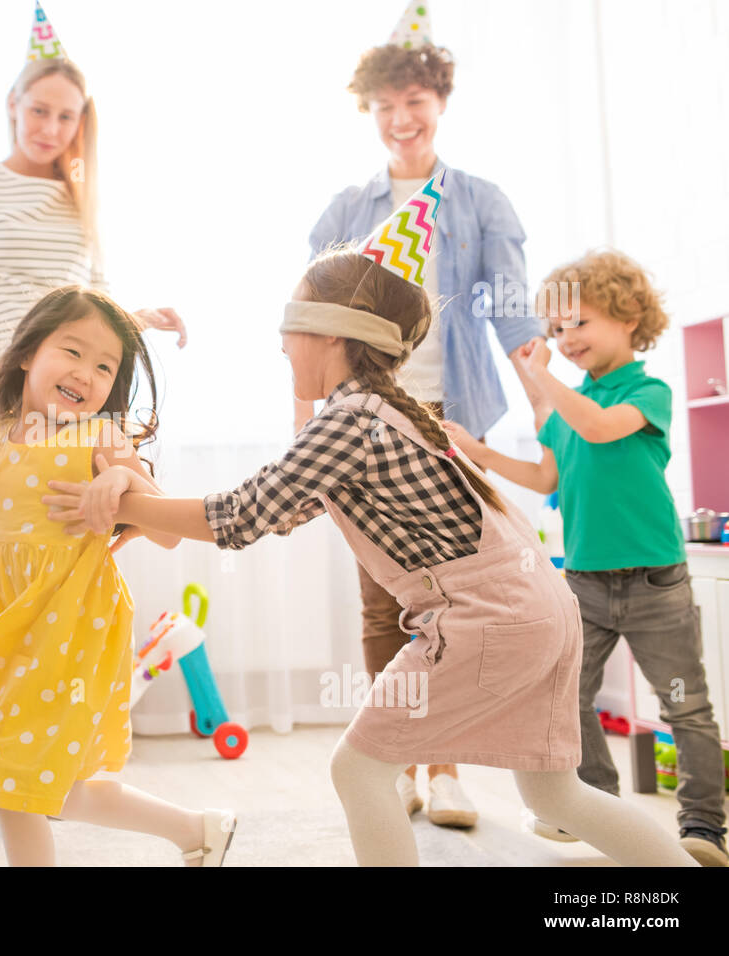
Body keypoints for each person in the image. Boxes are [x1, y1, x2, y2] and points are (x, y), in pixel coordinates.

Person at [44, 180, 696, 867]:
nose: (281, 348)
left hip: (488, 618)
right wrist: (142, 509)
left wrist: (123, 500)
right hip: (540, 609)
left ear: (330, 334)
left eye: (286, 331)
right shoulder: (380, 410)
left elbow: (240, 516)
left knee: (357, 771)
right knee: (555, 796)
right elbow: (280, 510)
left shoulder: (351, 419)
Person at [0, 7, 187, 832]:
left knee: (74, 572)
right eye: (41, 110)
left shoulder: (80, 196)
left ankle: (53, 749)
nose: (53, 127)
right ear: (13, 106)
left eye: (68, 115)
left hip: (77, 416)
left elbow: (83, 309)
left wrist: (139, 314)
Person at [303, 18, 545, 826]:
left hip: (453, 420)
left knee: (459, 598)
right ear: (368, 112)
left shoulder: (479, 201)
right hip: (367, 415)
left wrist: (548, 412)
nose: (401, 118)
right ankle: (398, 761)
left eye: (414, 101)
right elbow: (313, 317)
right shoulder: (347, 206)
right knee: (384, 599)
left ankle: (447, 768)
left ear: (439, 102)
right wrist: (305, 421)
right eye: (384, 105)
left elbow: (512, 315)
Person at [0, 285, 233, 866]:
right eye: (73, 352)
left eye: (105, 366)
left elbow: (167, 531)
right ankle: (197, 830)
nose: (87, 373)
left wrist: (123, 482)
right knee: (18, 773)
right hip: (15, 625)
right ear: (29, 352)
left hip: (75, 624)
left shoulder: (100, 437)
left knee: (13, 770)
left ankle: (197, 830)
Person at [444, 249, 728, 866]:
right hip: (584, 584)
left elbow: (600, 428)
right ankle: (600, 809)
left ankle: (704, 827)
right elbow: (546, 477)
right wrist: (476, 452)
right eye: (558, 328)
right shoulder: (567, 407)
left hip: (655, 582)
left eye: (579, 323)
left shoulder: (647, 392)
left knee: (683, 702)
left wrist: (541, 379)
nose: (566, 339)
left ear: (628, 317)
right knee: (565, 695)